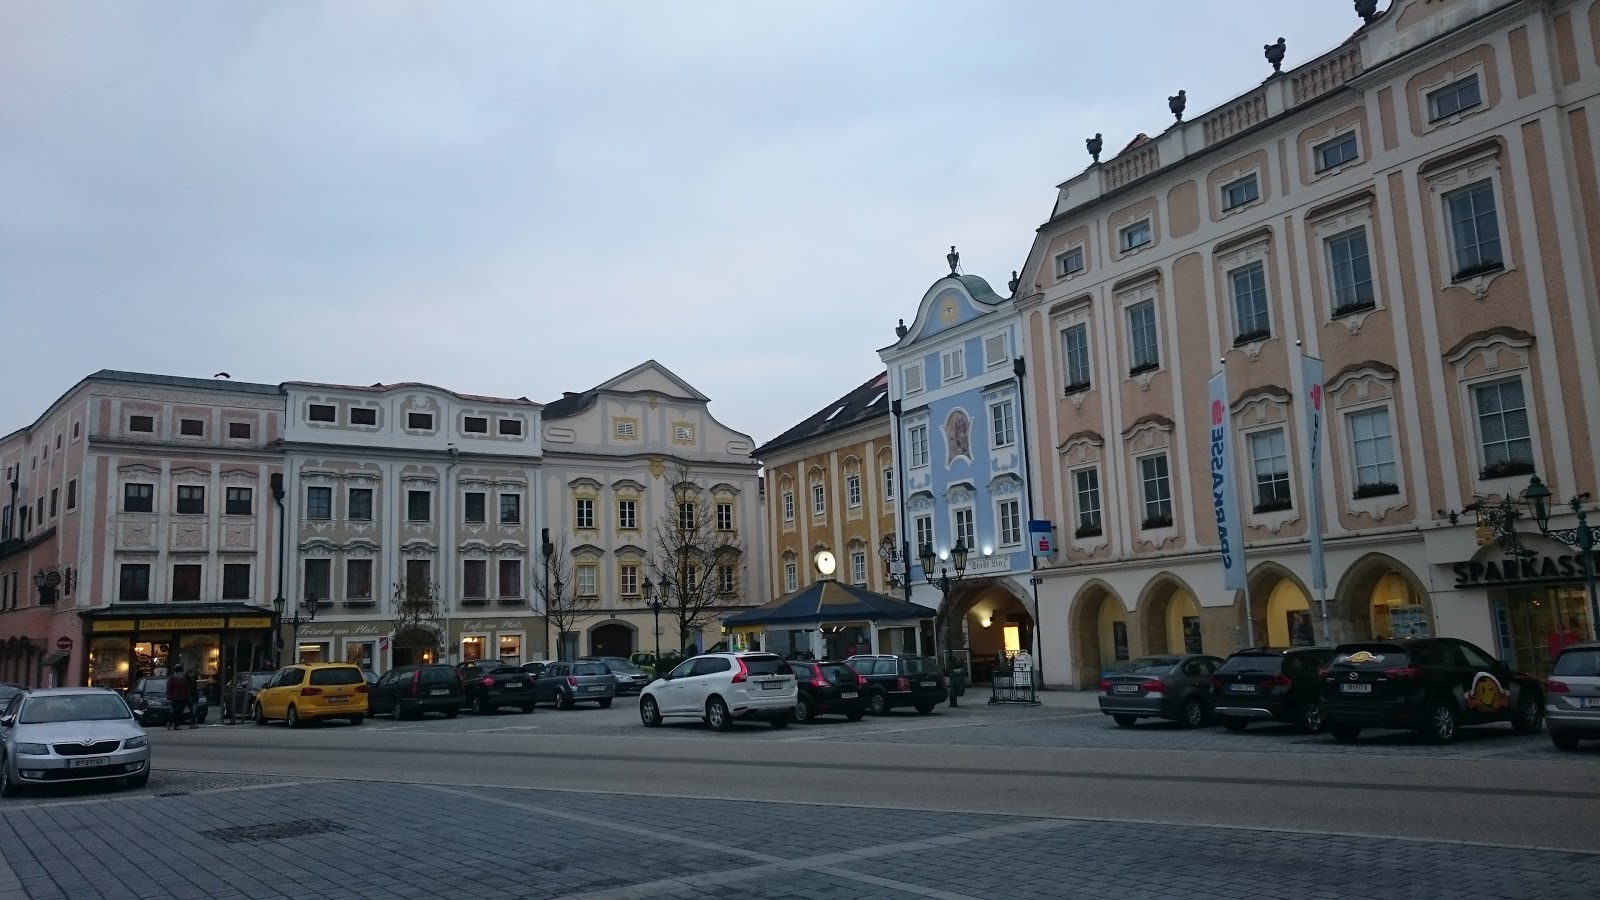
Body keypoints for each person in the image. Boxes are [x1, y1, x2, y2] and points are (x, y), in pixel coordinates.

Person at [165, 664, 191, 731]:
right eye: (179, 673)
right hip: (174, 698)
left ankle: (175, 724)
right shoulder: (171, 680)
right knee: (175, 712)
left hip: (183, 698)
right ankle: (173, 724)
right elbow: (169, 690)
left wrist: (188, 696)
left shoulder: (183, 680)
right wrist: (169, 698)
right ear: (176, 673)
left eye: (182, 673)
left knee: (180, 712)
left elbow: (186, 689)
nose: (181, 675)